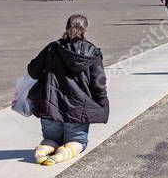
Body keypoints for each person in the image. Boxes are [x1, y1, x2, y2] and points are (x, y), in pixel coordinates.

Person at [27, 14, 109, 166]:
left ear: (67, 27)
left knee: (52, 139)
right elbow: (99, 83)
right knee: (77, 141)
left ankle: (42, 152)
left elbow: (33, 70)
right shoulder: (92, 52)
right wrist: (102, 103)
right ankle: (62, 154)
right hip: (78, 110)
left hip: (51, 106)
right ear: (85, 30)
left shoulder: (52, 48)